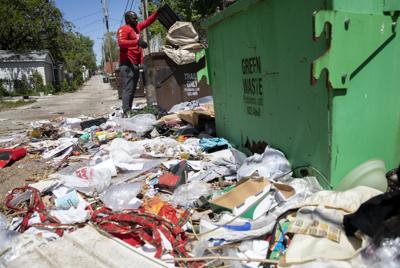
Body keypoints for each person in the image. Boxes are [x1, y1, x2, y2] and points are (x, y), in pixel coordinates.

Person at [117, 10, 159, 117]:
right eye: (134, 18)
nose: (136, 20)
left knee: (132, 88)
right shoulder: (124, 29)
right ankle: (126, 112)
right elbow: (121, 43)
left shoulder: (137, 28)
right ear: (127, 19)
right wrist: (137, 42)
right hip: (126, 63)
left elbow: (147, 22)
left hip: (134, 64)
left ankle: (128, 111)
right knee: (128, 88)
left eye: (136, 18)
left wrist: (157, 13)